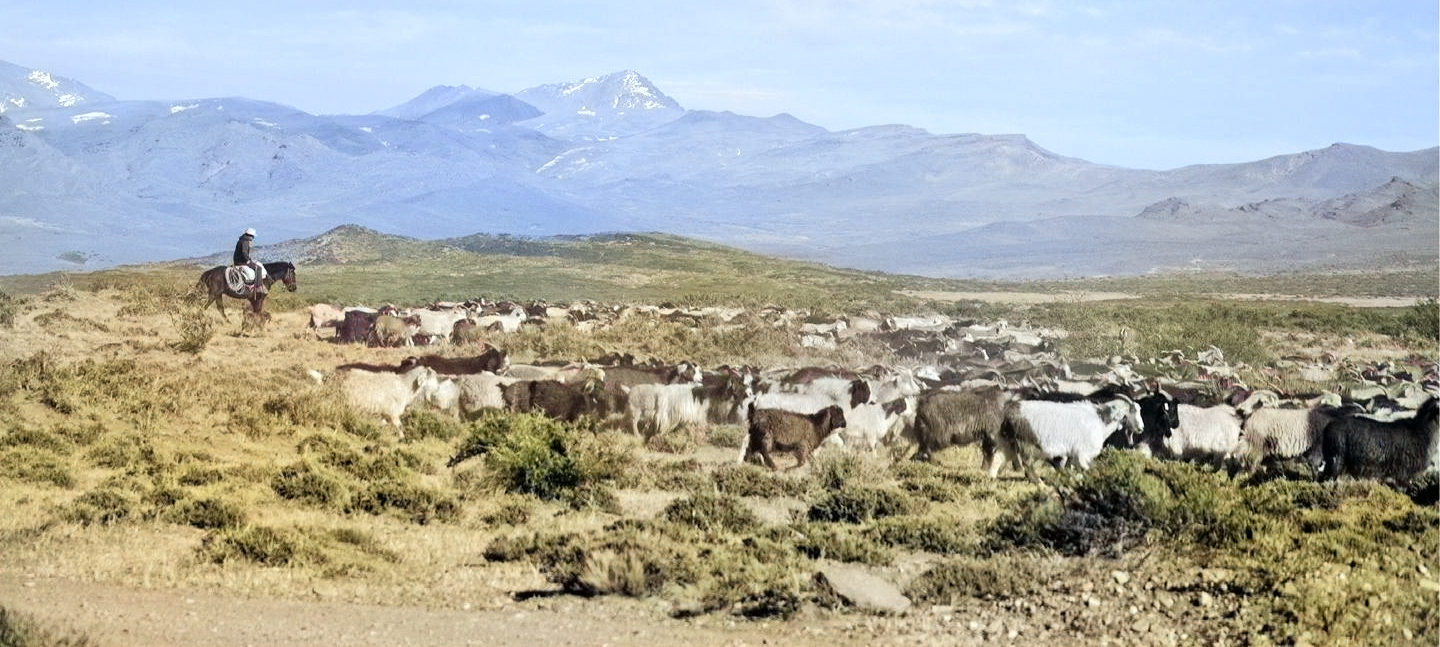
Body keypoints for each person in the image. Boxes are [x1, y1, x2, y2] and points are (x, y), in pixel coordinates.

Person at [232, 227, 267, 293]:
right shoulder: (245, 242)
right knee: (258, 268)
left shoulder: (241, 240)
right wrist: (248, 260)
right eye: (253, 236)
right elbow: (244, 252)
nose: (253, 238)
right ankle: (258, 287)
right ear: (250, 236)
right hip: (241, 261)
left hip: (237, 260)